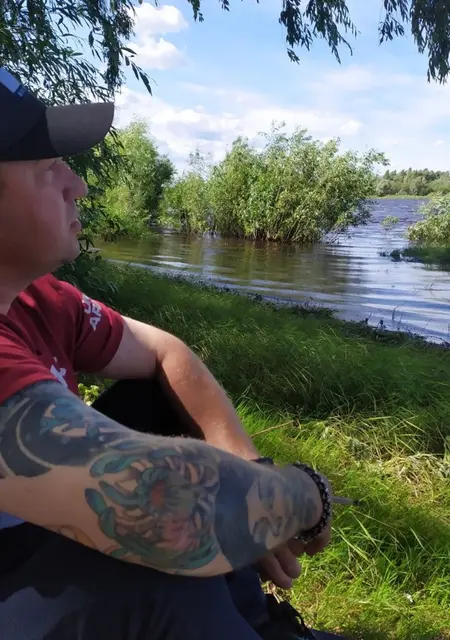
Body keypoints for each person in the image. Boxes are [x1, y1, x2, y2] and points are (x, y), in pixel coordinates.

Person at [0, 67, 335, 640]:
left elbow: (164, 352)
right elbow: (167, 511)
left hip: (32, 536)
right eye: (48, 167)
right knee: (159, 564)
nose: (77, 185)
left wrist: (250, 468)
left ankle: (256, 623)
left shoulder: (38, 300)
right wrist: (305, 494)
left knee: (155, 399)